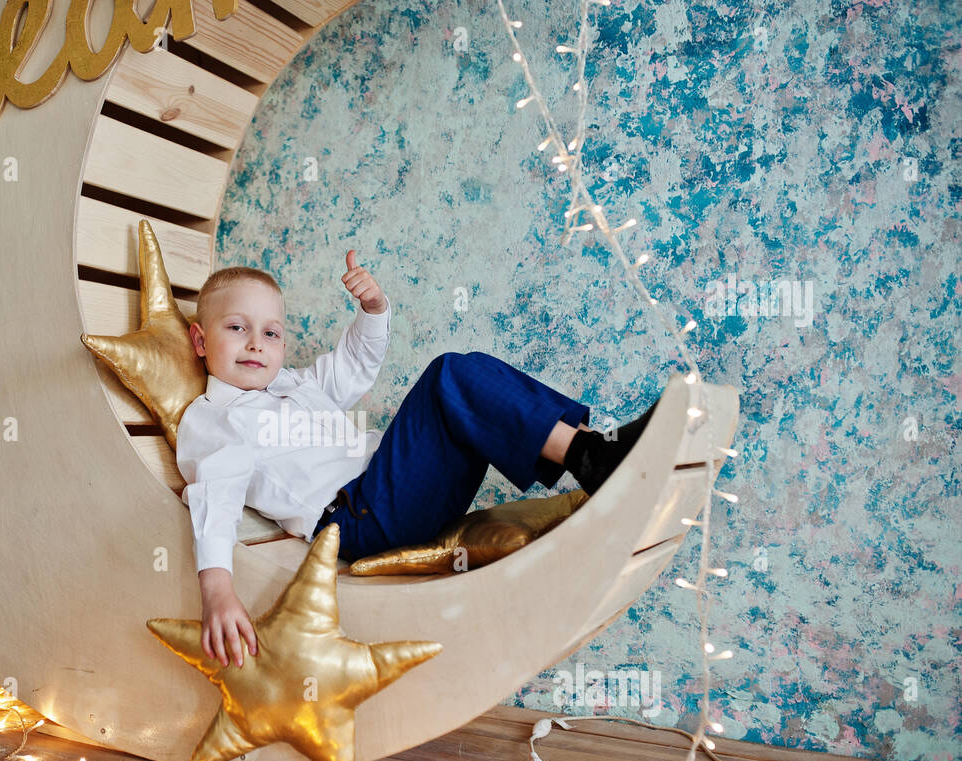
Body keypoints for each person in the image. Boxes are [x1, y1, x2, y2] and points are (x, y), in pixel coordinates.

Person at [176, 251, 655, 670]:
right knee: (449, 374)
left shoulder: (298, 384)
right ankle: (592, 457)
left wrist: (373, 310)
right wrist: (217, 591)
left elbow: (353, 365)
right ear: (200, 341)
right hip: (358, 517)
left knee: (467, 372)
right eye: (237, 328)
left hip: (394, 487)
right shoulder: (215, 419)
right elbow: (215, 495)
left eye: (272, 332)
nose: (257, 343)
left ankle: (592, 447)